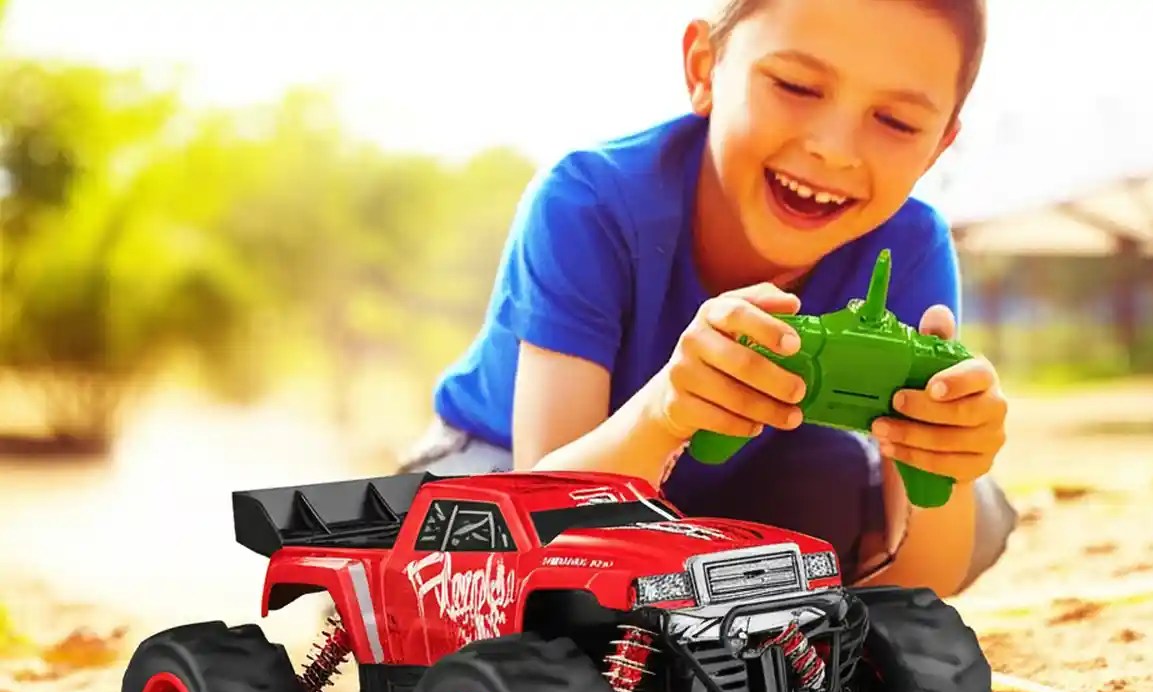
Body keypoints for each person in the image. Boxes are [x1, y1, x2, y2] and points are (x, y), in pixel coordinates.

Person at [400, 0, 1017, 598]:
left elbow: (921, 585)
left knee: (972, 509)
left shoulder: (908, 249)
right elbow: (551, 523)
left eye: (897, 122)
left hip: (730, 477)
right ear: (703, 69)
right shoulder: (589, 202)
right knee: (466, 566)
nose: (833, 147)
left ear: (937, 144)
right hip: (512, 466)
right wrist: (667, 410)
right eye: (797, 86)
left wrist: (943, 459)